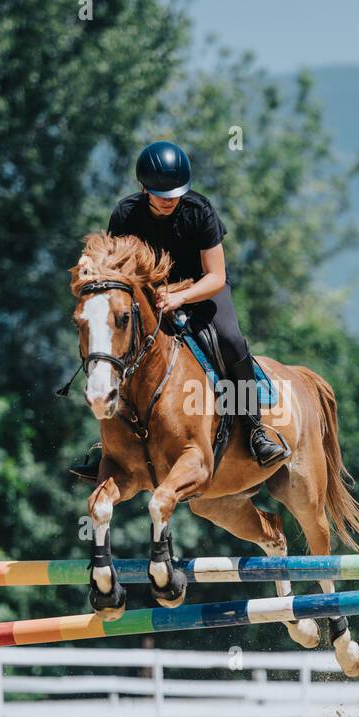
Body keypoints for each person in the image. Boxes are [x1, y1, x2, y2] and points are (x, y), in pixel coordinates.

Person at [69, 140, 291, 479]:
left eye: (175, 193)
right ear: (143, 188)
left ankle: (254, 428)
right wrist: (89, 263)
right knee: (117, 347)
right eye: (161, 194)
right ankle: (108, 444)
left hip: (201, 290)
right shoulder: (126, 213)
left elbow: (216, 276)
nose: (170, 199)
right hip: (149, 297)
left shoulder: (199, 211)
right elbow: (113, 266)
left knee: (231, 340)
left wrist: (180, 297)